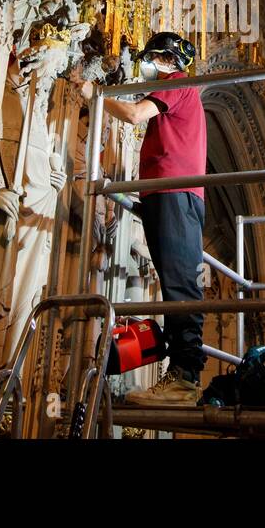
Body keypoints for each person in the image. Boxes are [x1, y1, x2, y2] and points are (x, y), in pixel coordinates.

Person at [72, 31, 206, 405]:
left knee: (180, 282)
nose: (146, 66)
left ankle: (185, 377)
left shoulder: (178, 83)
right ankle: (175, 368)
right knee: (173, 280)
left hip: (175, 192)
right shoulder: (177, 91)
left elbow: (133, 115)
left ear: (166, 59)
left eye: (150, 59)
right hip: (163, 193)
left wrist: (95, 93)